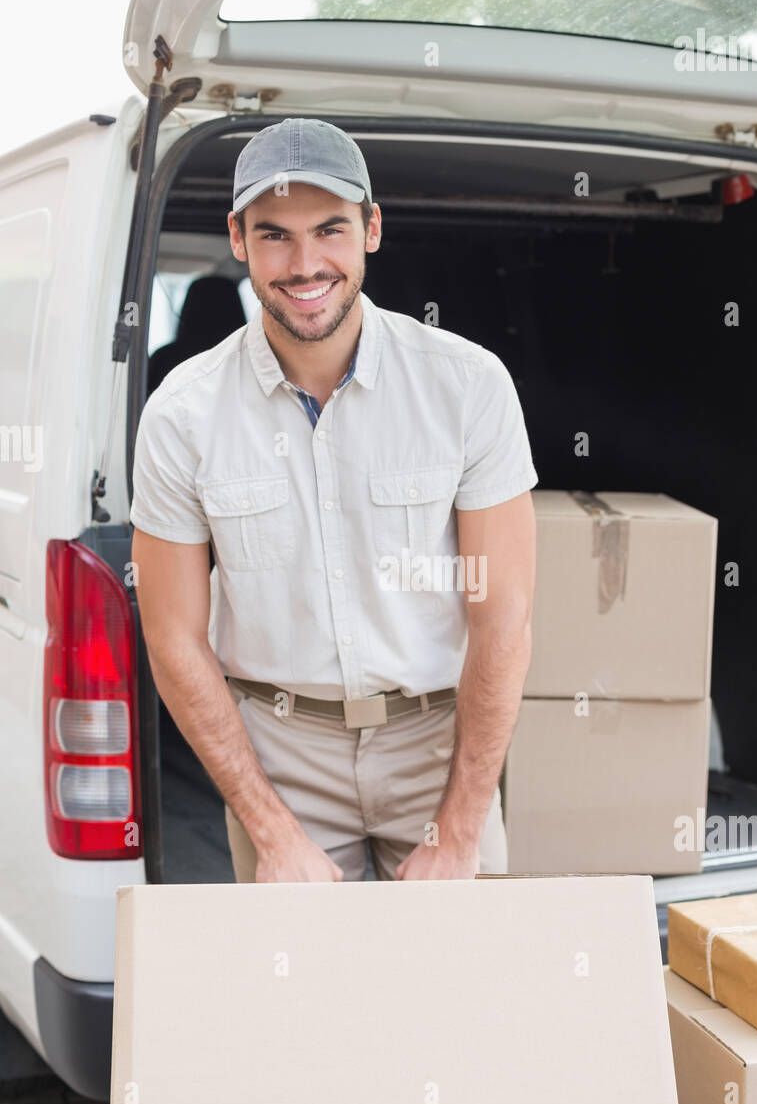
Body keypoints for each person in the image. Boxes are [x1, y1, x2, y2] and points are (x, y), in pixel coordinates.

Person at [130, 117, 538, 883]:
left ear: (371, 229)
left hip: (436, 748)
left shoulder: (468, 387)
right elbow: (174, 639)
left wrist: (458, 829)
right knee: (306, 997)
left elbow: (503, 618)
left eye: (330, 229)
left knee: (463, 995)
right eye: (275, 234)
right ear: (239, 239)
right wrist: (271, 829)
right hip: (281, 755)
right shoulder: (181, 415)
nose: (306, 263)